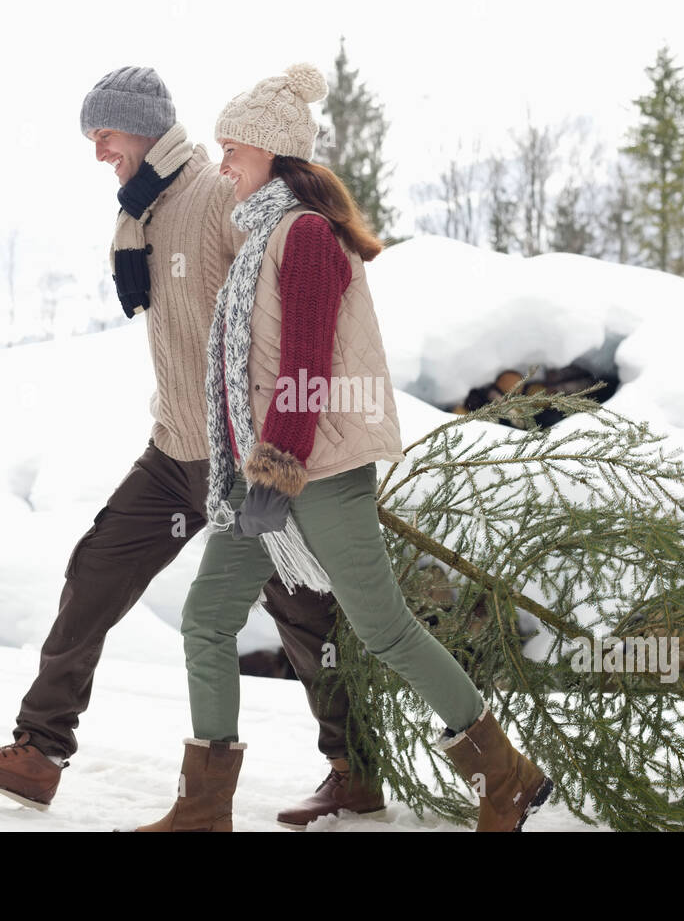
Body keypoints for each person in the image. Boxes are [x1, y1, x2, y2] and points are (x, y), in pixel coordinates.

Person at [0, 66, 387, 829]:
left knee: (304, 613)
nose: (99, 151)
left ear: (143, 126)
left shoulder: (214, 195)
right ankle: (39, 752)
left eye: (104, 134)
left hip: (240, 459)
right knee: (96, 569)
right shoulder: (142, 214)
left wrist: (296, 434)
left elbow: (296, 263)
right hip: (176, 451)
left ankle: (353, 770)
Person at [135, 64, 553, 833]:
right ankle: (203, 807)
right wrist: (249, 477)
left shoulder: (306, 237)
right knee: (207, 617)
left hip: (312, 471)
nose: (221, 163)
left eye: (232, 149)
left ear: (271, 153)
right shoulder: (264, 236)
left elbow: (304, 367)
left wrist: (277, 474)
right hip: (258, 478)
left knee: (383, 626)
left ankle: (507, 776)